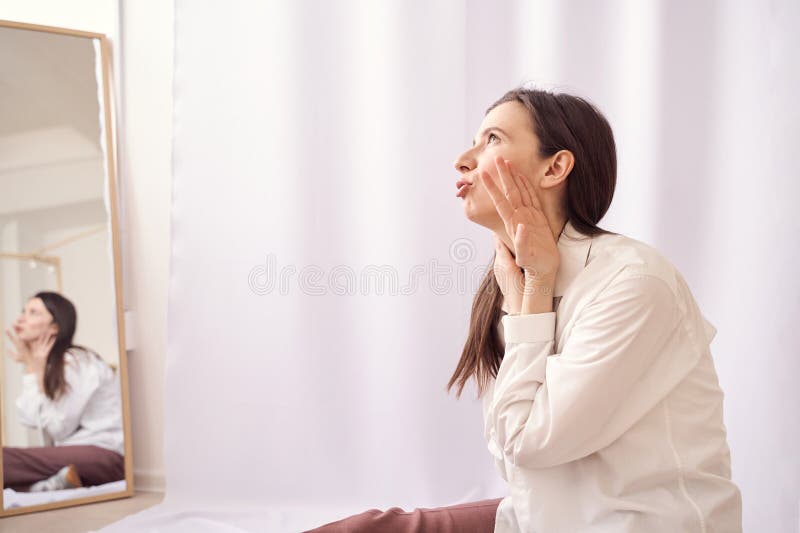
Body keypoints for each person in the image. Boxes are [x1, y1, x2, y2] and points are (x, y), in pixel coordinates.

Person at [304, 87, 742, 532]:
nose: (463, 158)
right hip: (541, 517)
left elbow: (525, 441)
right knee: (367, 528)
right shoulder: (512, 279)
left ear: (555, 167)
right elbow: (509, 449)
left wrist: (532, 293)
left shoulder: (635, 283)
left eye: (492, 139)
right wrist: (528, 290)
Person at [3, 291, 124, 492]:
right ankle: (48, 485)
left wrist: (37, 370)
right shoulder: (50, 366)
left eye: (33, 312)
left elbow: (59, 428)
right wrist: (33, 369)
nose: (21, 318)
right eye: (23, 311)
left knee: (5, 460)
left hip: (105, 456)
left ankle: (44, 485)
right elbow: (29, 419)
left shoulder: (76, 362)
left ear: (55, 327)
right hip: (77, 456)